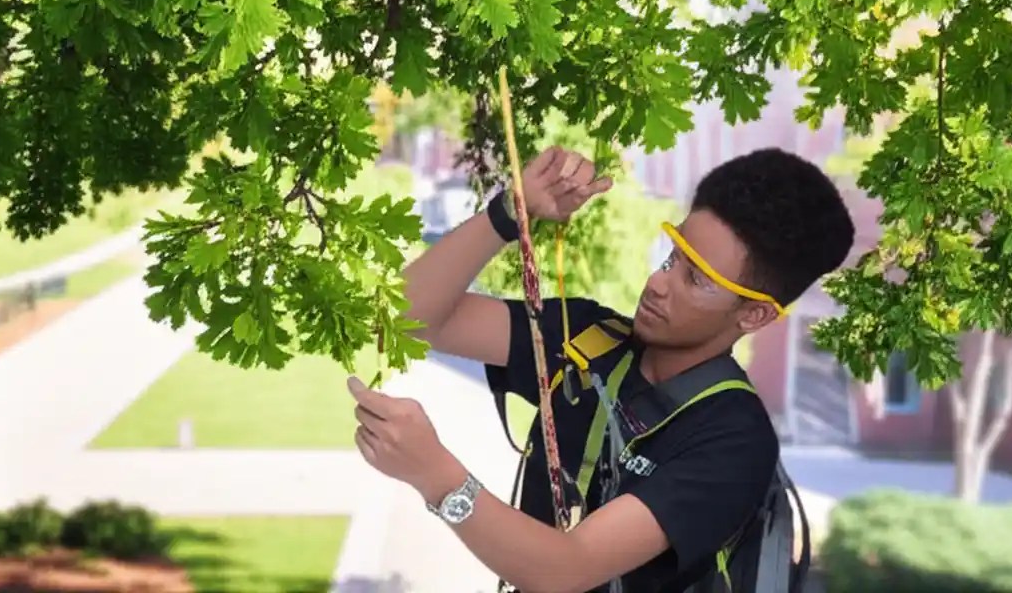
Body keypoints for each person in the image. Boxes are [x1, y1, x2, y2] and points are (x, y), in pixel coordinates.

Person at [346, 145, 855, 592]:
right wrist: (509, 214)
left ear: (755, 314)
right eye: (673, 257)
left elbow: (565, 570)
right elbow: (405, 317)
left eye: (696, 280)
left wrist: (434, 473)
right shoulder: (591, 337)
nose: (659, 284)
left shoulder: (732, 440)